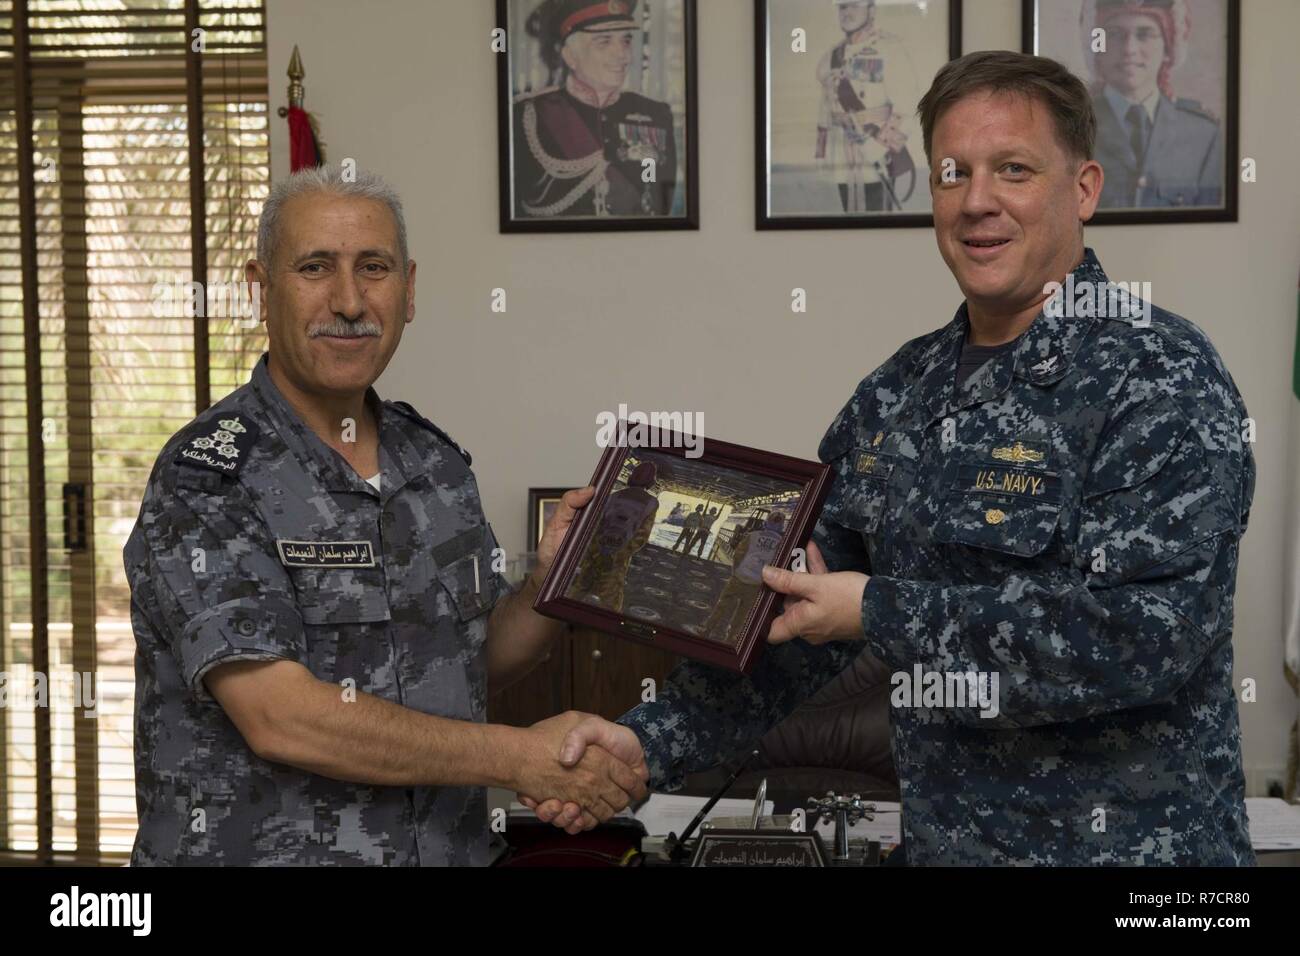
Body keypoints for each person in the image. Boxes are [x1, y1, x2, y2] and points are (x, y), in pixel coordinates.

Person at [526, 51, 1256, 866]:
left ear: (1083, 188)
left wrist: (879, 611)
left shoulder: (1160, 374)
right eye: (953, 173)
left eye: (1013, 170)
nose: (977, 201)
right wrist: (643, 742)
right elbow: (794, 615)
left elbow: (1142, 639)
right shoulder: (897, 393)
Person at [125, 166, 646, 865]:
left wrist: (549, 586)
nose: (348, 302)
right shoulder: (208, 477)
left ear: (408, 291)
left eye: (373, 268)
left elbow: (467, 664)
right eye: (315, 267)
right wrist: (519, 757)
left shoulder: (434, 462)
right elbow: (281, 717)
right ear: (259, 290)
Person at [512, 0, 677, 218]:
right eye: (604, 42)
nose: (623, 55)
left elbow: (657, 200)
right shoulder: (527, 116)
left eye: (626, 41)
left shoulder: (655, 114)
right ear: (570, 56)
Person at [1085, 0, 1221, 208]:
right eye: (1114, 34)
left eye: (1144, 35)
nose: (1129, 49)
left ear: (1168, 48)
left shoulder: (1203, 134)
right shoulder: (1073, 126)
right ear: (1097, 49)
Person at [815, 0, 921, 212]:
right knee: (847, 216)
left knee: (878, 217)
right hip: (842, 154)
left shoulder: (889, 48)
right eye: (842, 7)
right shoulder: (832, 56)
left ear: (871, 10)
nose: (847, 12)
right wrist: (821, 154)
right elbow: (826, 108)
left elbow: (907, 106)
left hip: (875, 147)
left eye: (854, 5)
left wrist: (880, 147)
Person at [569, 460, 660, 611]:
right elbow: (641, 536)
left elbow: (596, 526)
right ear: (651, 480)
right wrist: (619, 555)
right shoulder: (652, 503)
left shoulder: (614, 496)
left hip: (595, 552)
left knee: (579, 590)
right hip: (617, 557)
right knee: (610, 600)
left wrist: (595, 551)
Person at [700, 512, 787, 644]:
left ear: (766, 522)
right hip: (757, 583)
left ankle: (707, 629)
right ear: (782, 526)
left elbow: (738, 554)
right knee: (743, 613)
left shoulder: (752, 536)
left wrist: (735, 571)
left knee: (722, 604)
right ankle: (730, 637)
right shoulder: (782, 543)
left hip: (739, 577)